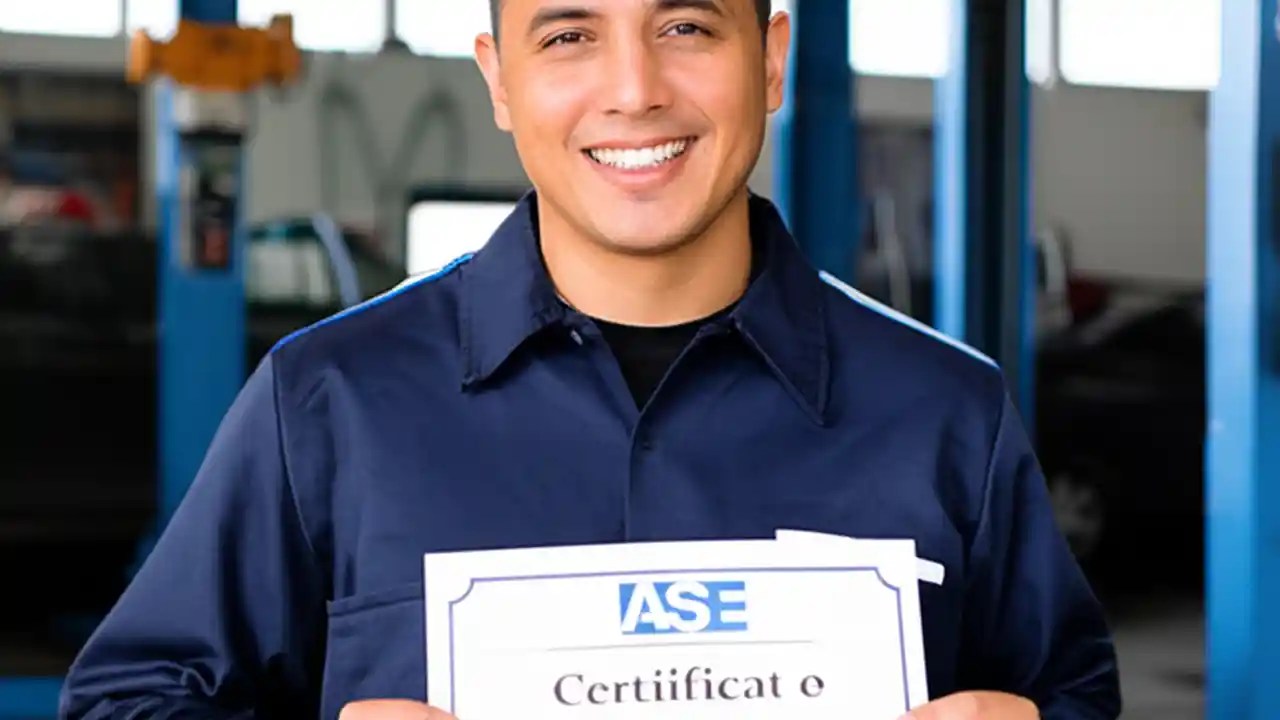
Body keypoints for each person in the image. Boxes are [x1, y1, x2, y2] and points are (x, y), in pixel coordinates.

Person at [60, 0, 1121, 718]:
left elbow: (1069, 693)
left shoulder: (944, 412)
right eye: (568, 34)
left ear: (772, 59)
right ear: (499, 80)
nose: (632, 90)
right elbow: (127, 699)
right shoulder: (330, 403)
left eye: (686, 26)